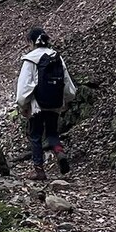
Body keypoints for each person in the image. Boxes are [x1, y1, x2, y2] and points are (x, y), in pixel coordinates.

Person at [15, 27, 77, 181]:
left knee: (35, 135)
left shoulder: (30, 59)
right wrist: (67, 99)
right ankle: (59, 150)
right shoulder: (57, 57)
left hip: (37, 105)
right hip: (55, 103)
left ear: (31, 41)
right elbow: (66, 82)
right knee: (52, 133)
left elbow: (24, 87)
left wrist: (23, 105)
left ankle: (39, 170)